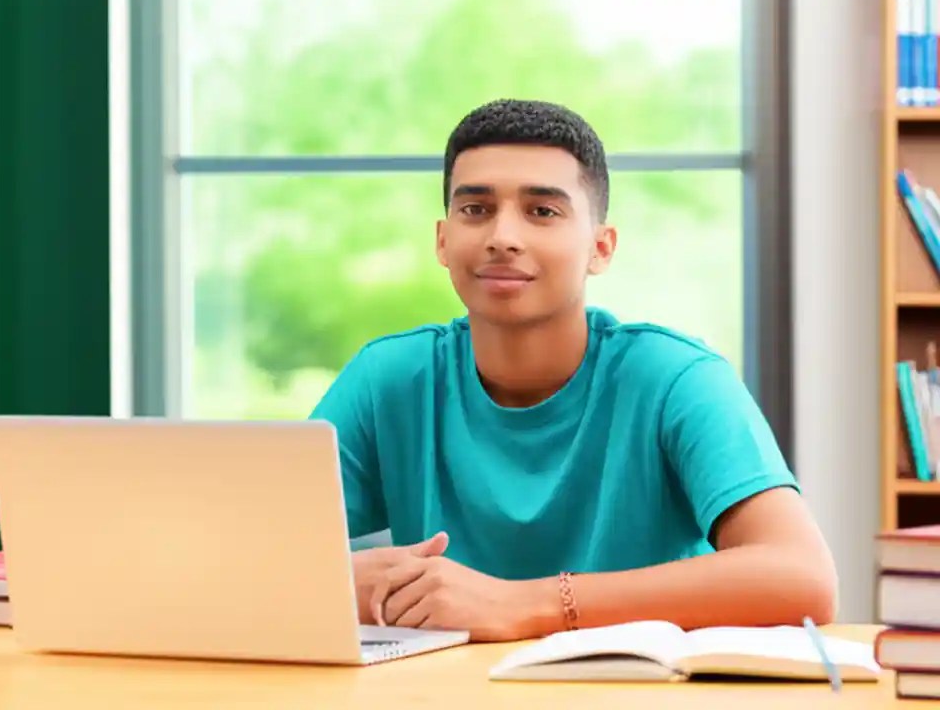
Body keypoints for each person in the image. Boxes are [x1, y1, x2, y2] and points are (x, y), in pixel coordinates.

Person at [309, 98, 836, 642]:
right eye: (476, 209)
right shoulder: (388, 379)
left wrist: (523, 604)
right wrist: (333, 581)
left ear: (600, 247)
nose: (502, 237)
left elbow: (804, 577)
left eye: (542, 211)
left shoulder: (676, 378)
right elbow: (234, 553)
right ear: (443, 241)